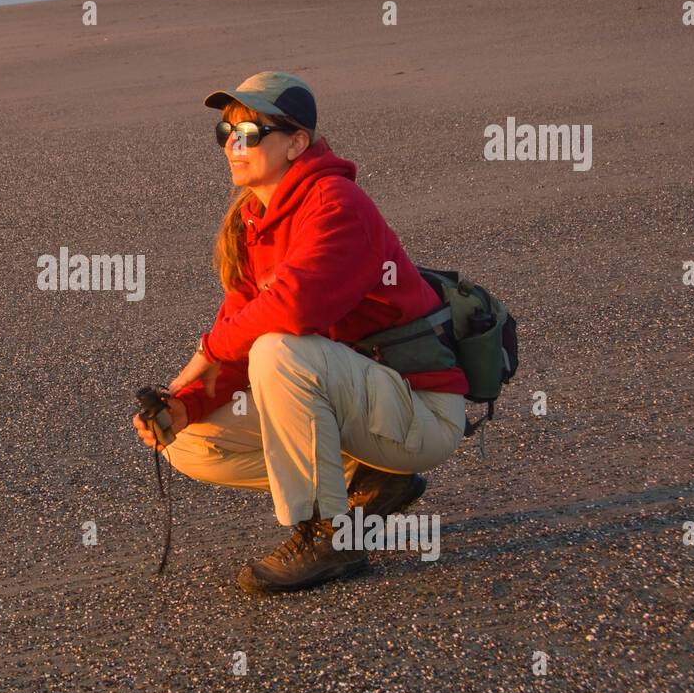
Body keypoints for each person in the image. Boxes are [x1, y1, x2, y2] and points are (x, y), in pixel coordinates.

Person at [132, 71, 468, 595]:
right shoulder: (254, 221)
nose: (233, 147)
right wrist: (185, 402)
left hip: (418, 413)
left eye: (249, 133)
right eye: (226, 134)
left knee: (277, 350)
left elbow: (289, 310)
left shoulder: (338, 205)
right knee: (189, 441)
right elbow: (237, 329)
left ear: (296, 142)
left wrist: (203, 354)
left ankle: (327, 538)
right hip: (356, 405)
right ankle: (371, 480)